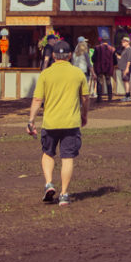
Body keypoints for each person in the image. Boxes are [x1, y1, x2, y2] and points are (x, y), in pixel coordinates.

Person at [26, 40, 88, 207]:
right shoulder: (78, 73)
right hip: (71, 122)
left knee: (48, 153)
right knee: (67, 157)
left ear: (53, 55)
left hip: (50, 122)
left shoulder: (45, 74)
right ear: (69, 56)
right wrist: (84, 115)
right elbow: (85, 98)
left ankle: (49, 183)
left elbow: (38, 99)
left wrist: (31, 120)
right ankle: (64, 194)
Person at [93, 35, 116, 103]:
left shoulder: (97, 48)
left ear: (101, 41)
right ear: (108, 41)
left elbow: (93, 58)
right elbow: (115, 60)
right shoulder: (112, 49)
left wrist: (95, 62)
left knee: (99, 82)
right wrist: (112, 64)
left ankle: (99, 97)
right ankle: (110, 97)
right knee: (108, 82)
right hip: (108, 67)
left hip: (99, 67)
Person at [115, 35, 131, 102]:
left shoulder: (129, 50)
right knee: (125, 81)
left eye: (124, 42)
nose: (122, 43)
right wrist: (117, 56)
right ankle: (126, 95)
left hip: (125, 68)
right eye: (122, 42)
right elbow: (122, 58)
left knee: (126, 81)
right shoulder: (125, 50)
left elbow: (129, 60)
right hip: (123, 67)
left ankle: (128, 96)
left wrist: (127, 68)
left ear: (127, 42)